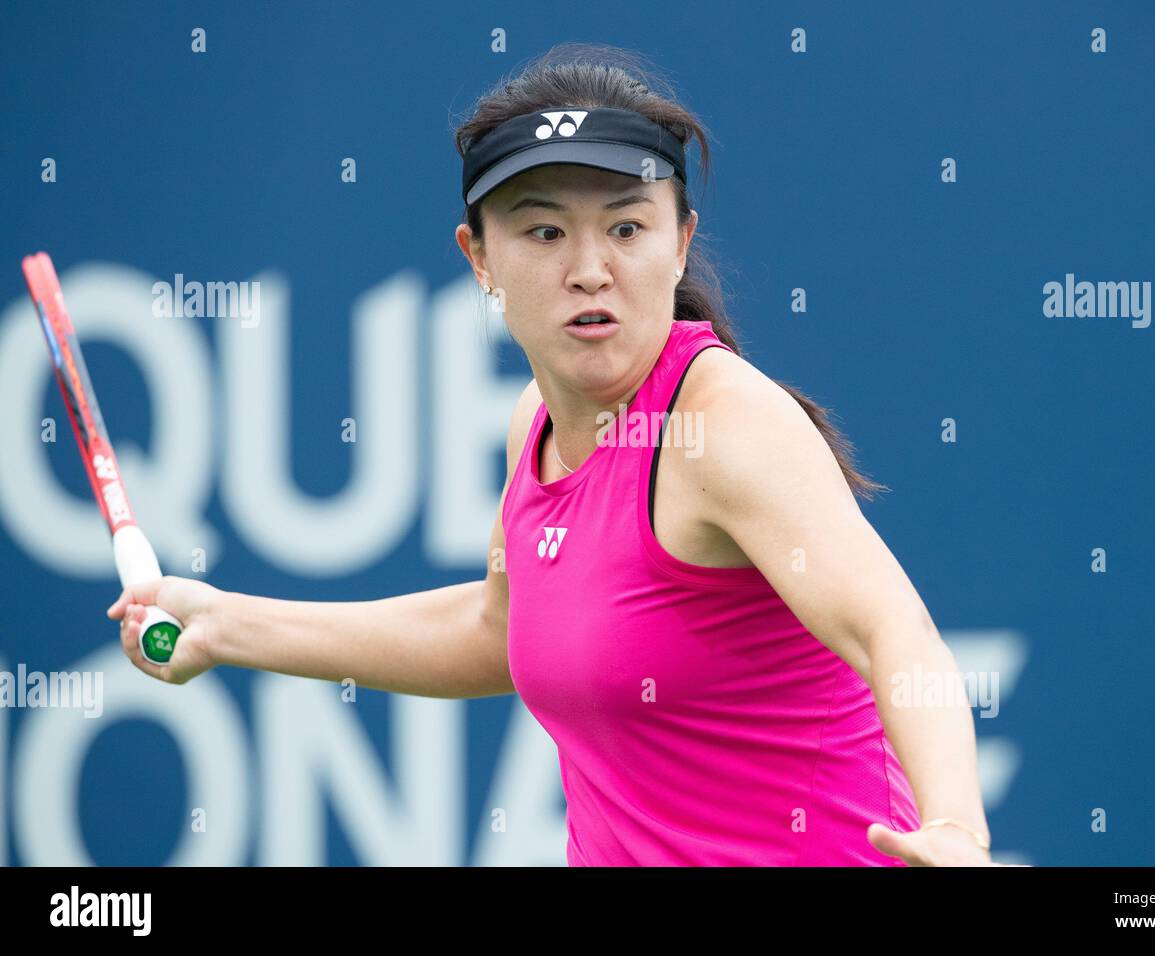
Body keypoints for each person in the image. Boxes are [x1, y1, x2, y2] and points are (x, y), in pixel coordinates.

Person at [108, 43, 995, 867]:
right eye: (543, 233)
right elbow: (503, 628)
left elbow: (894, 632)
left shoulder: (726, 425)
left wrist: (955, 822)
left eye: (625, 228)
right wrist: (227, 626)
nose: (589, 269)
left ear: (680, 240)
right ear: (478, 257)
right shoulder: (536, 421)